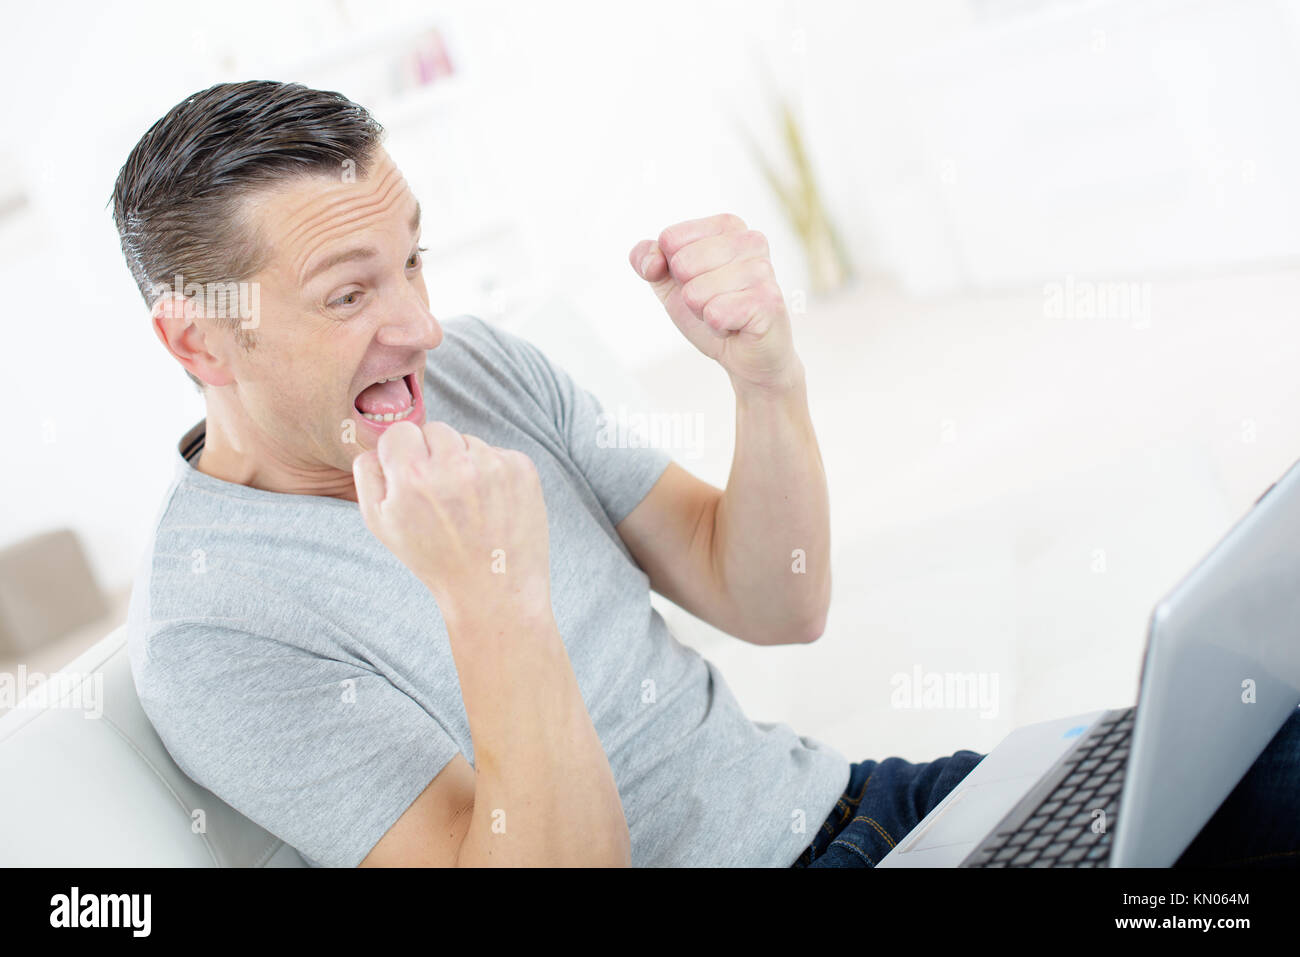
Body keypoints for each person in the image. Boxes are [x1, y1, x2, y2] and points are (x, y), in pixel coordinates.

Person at [117, 81, 1297, 868]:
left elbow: (777, 600)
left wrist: (764, 378)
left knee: (1267, 751)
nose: (421, 326)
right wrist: (492, 596)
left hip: (876, 809)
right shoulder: (215, 631)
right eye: (349, 294)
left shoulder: (477, 367)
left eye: (413, 258)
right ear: (197, 342)